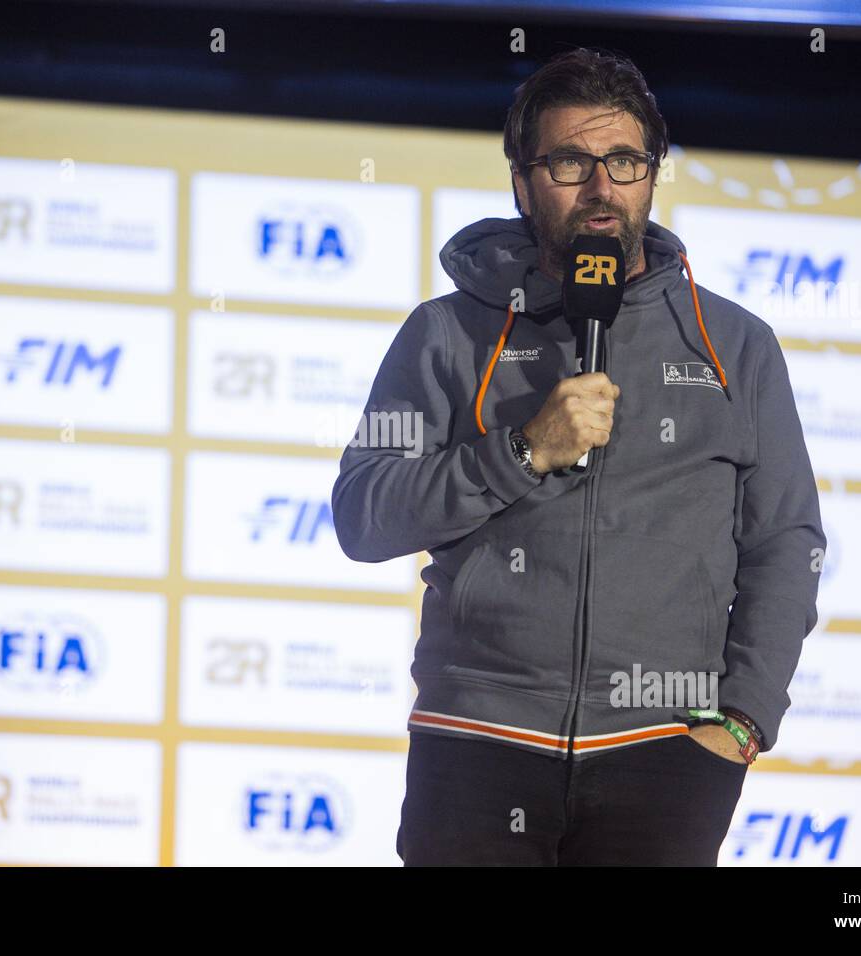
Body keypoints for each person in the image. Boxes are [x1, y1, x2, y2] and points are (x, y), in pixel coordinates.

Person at [331, 47, 826, 865]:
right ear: (522, 182)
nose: (602, 188)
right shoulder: (447, 332)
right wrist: (522, 451)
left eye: (625, 161)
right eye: (570, 161)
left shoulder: (736, 343)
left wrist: (742, 720)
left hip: (667, 754)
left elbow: (786, 542)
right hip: (477, 741)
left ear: (652, 174)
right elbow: (363, 515)